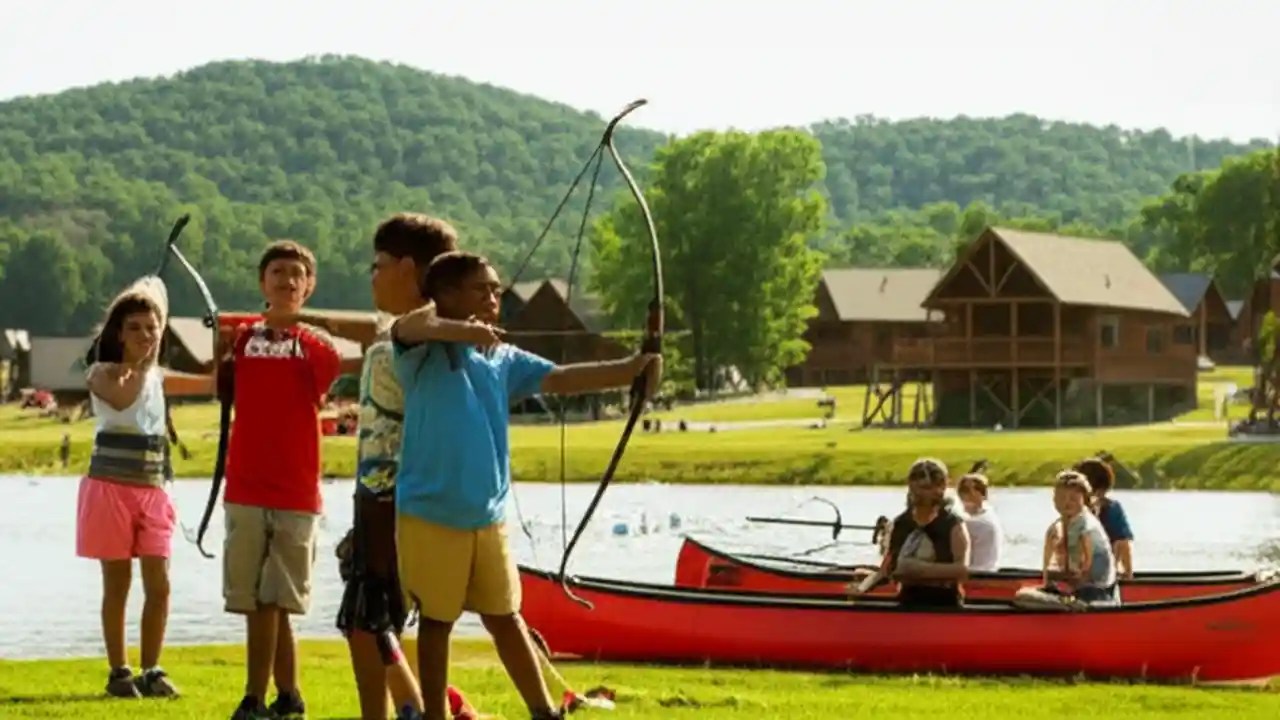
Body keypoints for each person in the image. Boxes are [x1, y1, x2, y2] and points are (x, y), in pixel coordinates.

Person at [392, 251, 661, 720]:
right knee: (437, 621)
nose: (495, 297)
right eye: (483, 289)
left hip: (487, 514)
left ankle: (543, 711)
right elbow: (409, 326)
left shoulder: (501, 356)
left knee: (505, 616)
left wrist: (633, 369)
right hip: (432, 512)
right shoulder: (421, 351)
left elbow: (559, 378)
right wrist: (463, 331)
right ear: (448, 294)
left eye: (496, 289)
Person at [327, 213, 472, 720]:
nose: (372, 274)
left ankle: (401, 710)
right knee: (373, 615)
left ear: (408, 267)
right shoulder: (410, 334)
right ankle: (412, 706)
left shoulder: (414, 340)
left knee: (368, 615)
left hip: (391, 495)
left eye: (379, 264)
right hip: (385, 493)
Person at [220, 241, 343, 720]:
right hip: (245, 484)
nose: (287, 280)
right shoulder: (242, 338)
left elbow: (326, 371)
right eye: (278, 271)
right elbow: (222, 377)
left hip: (294, 489)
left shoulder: (316, 343)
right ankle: (288, 696)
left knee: (276, 599)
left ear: (308, 286)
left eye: (297, 274)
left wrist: (295, 328)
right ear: (262, 281)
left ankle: (254, 697)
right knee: (256, 599)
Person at [76, 276, 180, 699]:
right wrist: (140, 361)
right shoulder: (102, 373)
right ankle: (119, 671)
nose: (145, 334)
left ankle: (152, 668)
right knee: (117, 584)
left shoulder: (156, 377)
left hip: (153, 490)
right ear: (118, 333)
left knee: (160, 583)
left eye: (151, 326)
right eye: (134, 327)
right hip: (110, 491)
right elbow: (120, 401)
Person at [853, 458, 970, 607]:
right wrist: (863, 587)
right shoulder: (901, 523)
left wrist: (920, 570)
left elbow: (962, 570)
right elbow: (886, 570)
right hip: (907, 601)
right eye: (920, 488)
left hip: (944, 605)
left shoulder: (953, 525)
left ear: (942, 488)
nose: (924, 494)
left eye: (929, 488)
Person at [1040, 470, 1119, 605]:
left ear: (1084, 499)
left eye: (1073, 498)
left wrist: (1057, 576)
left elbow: (1082, 573)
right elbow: (1049, 569)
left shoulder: (1086, 527)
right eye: (1061, 497)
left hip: (1098, 593)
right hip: (1079, 589)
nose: (1067, 503)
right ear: (1054, 500)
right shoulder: (1057, 527)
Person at [1074, 456, 1135, 579]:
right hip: (1105, 573)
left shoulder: (1073, 510)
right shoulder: (1113, 507)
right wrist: (1128, 573)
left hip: (1084, 572)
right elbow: (1123, 543)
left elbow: (1122, 542)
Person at [956, 472, 1003, 572]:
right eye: (961, 490)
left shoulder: (979, 523)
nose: (963, 494)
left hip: (978, 573)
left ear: (982, 494)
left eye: (967, 490)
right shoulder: (987, 511)